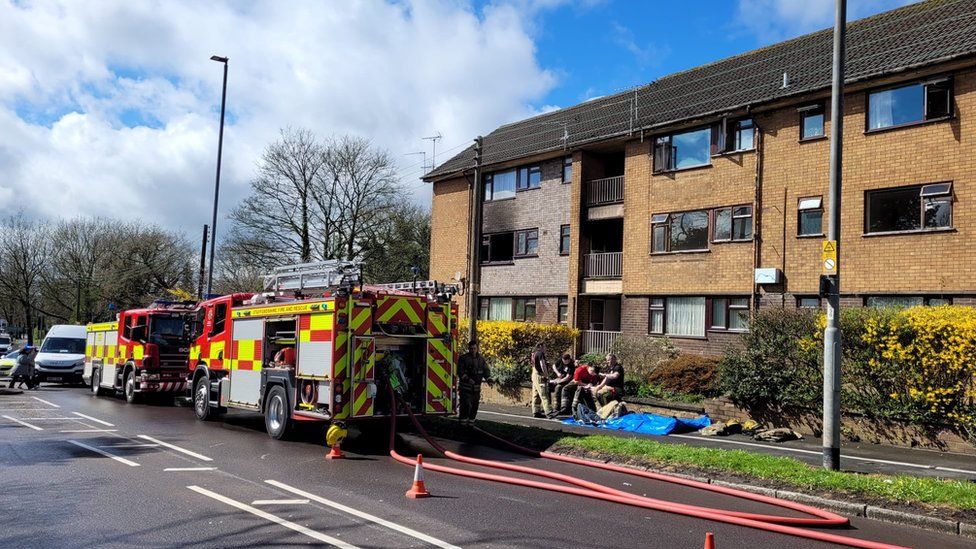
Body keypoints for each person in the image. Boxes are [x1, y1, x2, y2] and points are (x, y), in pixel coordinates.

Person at [457, 341, 491, 425]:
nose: (473, 350)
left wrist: (489, 379)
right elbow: (460, 372)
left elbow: (486, 370)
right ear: (468, 349)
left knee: (474, 407)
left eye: (474, 348)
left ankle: (471, 425)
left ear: (477, 349)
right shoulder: (463, 359)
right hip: (465, 389)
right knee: (465, 406)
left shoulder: (481, 359)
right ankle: (462, 426)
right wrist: (468, 379)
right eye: (471, 349)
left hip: (476, 389)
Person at [529, 343, 552, 418]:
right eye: (545, 346)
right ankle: (549, 412)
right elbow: (542, 365)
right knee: (544, 394)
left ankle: (536, 411)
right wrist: (546, 375)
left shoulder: (534, 354)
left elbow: (533, 364)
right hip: (539, 375)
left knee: (536, 394)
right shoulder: (540, 354)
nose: (546, 348)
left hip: (534, 375)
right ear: (540, 347)